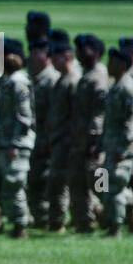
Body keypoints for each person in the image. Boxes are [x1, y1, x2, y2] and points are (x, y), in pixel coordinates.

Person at [0, 39, 35, 238]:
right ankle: (12, 217)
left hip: (15, 145)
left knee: (14, 186)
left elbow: (24, 116)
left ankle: (20, 226)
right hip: (4, 143)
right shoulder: (9, 79)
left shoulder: (17, 81)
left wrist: (15, 143)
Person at [99, 46, 133, 235]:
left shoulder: (128, 88)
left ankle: (115, 227)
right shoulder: (116, 86)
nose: (108, 65)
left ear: (122, 64)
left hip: (122, 148)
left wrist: (124, 146)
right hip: (110, 145)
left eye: (112, 62)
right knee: (104, 184)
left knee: (114, 185)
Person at [68, 34, 110, 233]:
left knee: (100, 183)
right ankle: (84, 222)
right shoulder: (85, 74)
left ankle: (118, 214)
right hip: (79, 140)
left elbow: (100, 113)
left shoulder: (98, 77)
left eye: (82, 49)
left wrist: (95, 141)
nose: (78, 54)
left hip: (93, 143)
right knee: (77, 183)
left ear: (95, 51)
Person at [45, 40, 79, 231]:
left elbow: (75, 117)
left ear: (66, 57)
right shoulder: (61, 80)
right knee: (60, 182)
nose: (52, 60)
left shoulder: (72, 81)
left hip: (68, 142)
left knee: (61, 182)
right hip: (59, 140)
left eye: (55, 56)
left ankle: (58, 222)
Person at [25, 37, 58, 226]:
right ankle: (40, 218)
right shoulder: (35, 78)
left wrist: (49, 140)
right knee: (35, 180)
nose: (31, 57)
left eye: (36, 53)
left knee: (46, 181)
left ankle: (46, 218)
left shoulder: (51, 80)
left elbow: (54, 115)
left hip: (48, 140)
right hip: (37, 139)